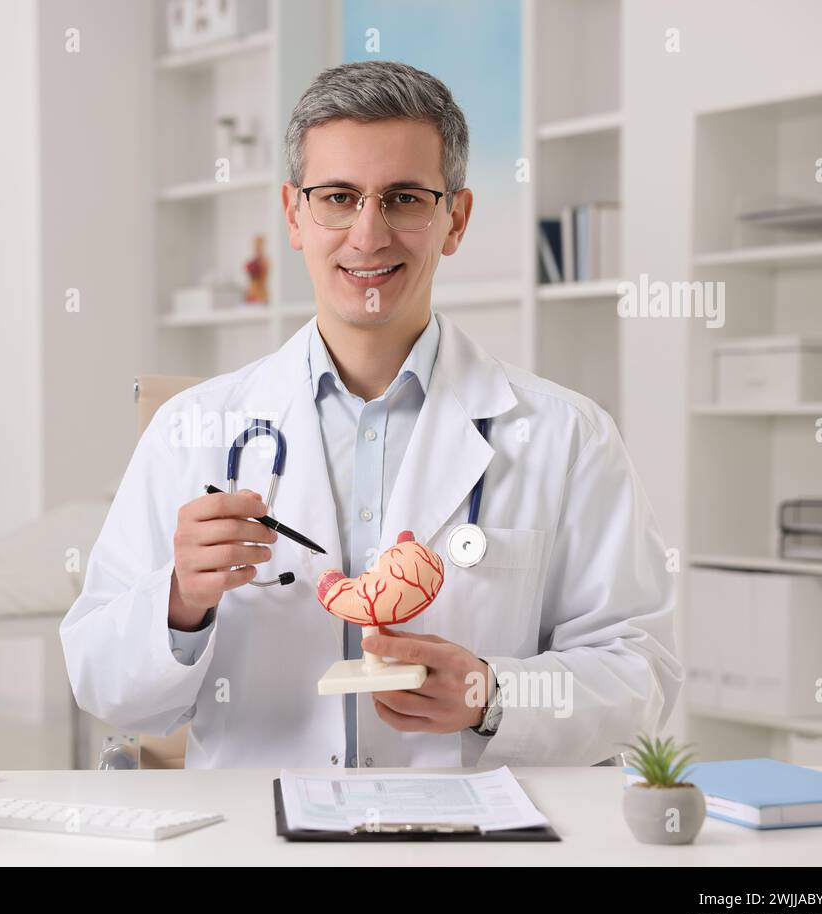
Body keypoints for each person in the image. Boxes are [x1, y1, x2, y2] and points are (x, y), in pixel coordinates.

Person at [61, 60, 682, 769]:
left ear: (456, 219)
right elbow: (100, 684)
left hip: (467, 836)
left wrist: (495, 692)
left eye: (406, 199)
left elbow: (641, 673)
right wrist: (178, 601)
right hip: (259, 833)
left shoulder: (569, 436)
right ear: (294, 215)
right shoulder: (192, 430)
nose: (368, 234)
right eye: (338, 197)